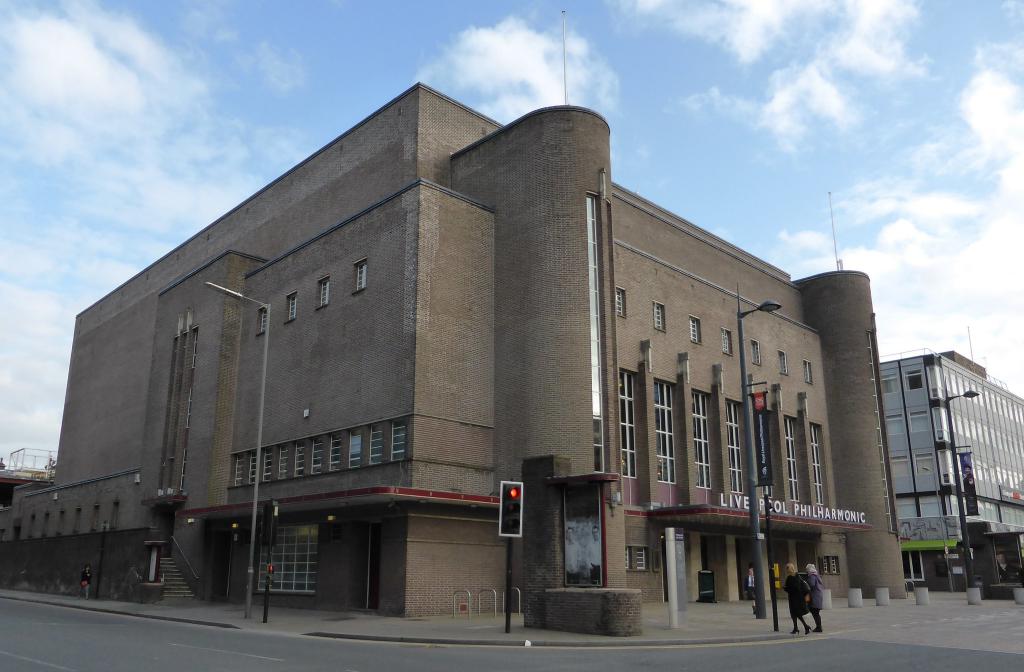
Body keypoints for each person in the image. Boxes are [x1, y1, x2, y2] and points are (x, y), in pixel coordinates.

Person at [783, 562, 812, 635]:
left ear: (790, 569)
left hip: (797, 598)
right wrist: (786, 588)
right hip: (794, 598)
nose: (786, 570)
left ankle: (805, 626)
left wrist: (786, 588)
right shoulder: (793, 577)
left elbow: (796, 588)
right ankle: (796, 628)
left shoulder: (794, 577)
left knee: (797, 613)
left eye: (787, 568)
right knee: (793, 614)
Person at [805, 563, 825, 632]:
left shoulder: (812, 576)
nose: (806, 571)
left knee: (815, 612)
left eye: (807, 570)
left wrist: (806, 583)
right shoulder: (817, 575)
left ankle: (819, 627)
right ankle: (819, 626)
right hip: (818, 595)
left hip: (815, 596)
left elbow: (812, 584)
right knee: (815, 612)